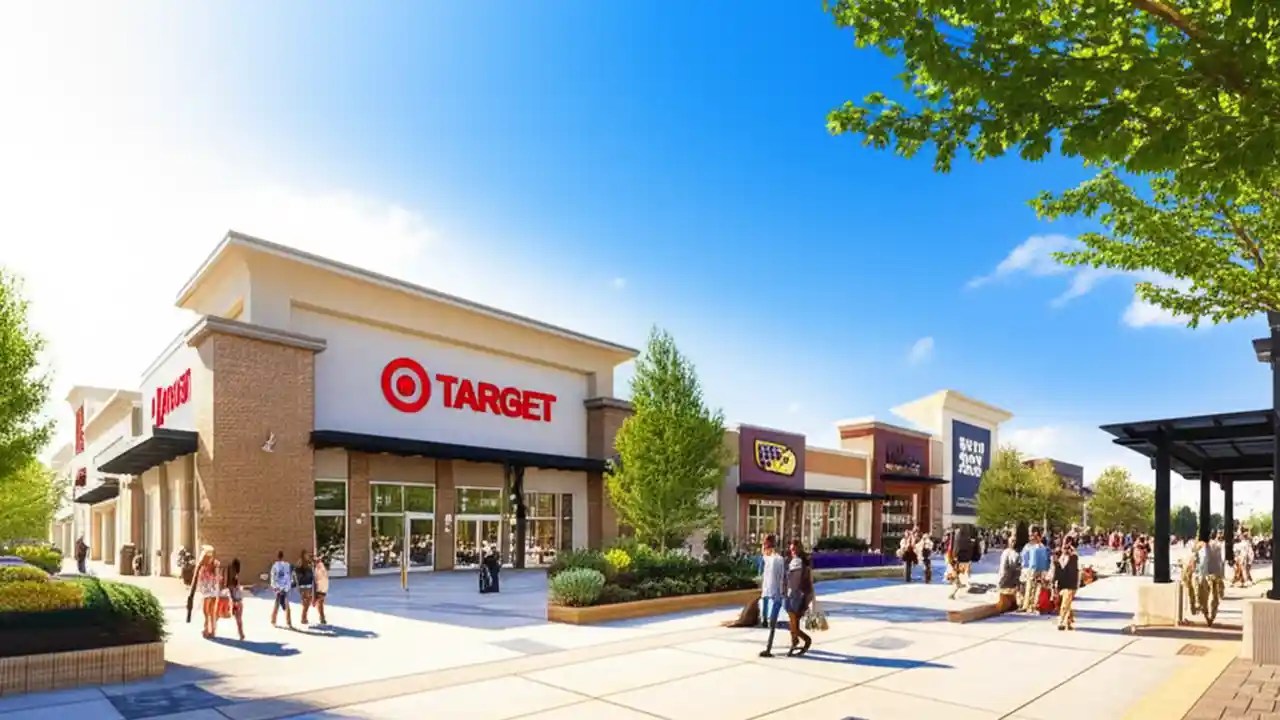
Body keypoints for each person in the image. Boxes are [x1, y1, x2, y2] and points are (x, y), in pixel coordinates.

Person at [784, 540, 815, 656]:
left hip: (799, 596)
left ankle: (806, 640)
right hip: (793, 595)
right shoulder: (793, 561)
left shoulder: (801, 562)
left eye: (794, 549)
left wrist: (808, 596)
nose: (792, 551)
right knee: (793, 622)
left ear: (799, 550)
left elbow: (802, 581)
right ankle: (794, 642)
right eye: (791, 549)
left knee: (793, 623)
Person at [758, 534, 786, 658]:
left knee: (772, 623)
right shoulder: (767, 558)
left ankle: (768, 649)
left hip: (775, 594)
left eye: (765, 544)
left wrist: (780, 592)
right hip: (769, 593)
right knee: (772, 623)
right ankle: (768, 648)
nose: (764, 546)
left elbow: (781, 578)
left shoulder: (777, 559)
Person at [194, 545, 223, 639]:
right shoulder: (216, 564)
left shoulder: (203, 566)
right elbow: (219, 578)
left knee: (206, 613)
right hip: (214, 591)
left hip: (206, 592)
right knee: (212, 612)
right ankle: (213, 631)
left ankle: (206, 630)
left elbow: (200, 579)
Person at [1020, 529, 1050, 613]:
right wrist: (1025, 567)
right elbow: (1024, 557)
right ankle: (1027, 605)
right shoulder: (1028, 546)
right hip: (1032, 569)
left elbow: (1047, 559)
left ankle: (1036, 604)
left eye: (1037, 536)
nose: (1035, 538)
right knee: (1030, 586)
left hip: (1042, 570)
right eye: (1034, 536)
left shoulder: (1043, 547)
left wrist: (1047, 569)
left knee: (1039, 588)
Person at [1054, 538, 1080, 631]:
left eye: (1068, 546)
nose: (1065, 548)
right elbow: (1055, 571)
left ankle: (1061, 621)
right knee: (1064, 603)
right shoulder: (1058, 557)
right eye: (1064, 546)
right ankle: (1069, 621)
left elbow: (1075, 571)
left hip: (1070, 585)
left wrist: (1072, 552)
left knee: (1065, 602)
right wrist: (1054, 583)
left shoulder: (1074, 558)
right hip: (1061, 584)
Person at [269, 550, 295, 629]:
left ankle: (273, 620)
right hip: (284, 588)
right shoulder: (287, 565)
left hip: (278, 588)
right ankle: (289, 622)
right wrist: (287, 587)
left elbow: (273, 577)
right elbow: (289, 576)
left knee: (277, 604)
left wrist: (275, 587)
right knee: (286, 605)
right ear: (283, 556)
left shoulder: (275, 566)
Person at [997, 532, 1021, 610]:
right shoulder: (1007, 553)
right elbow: (1003, 567)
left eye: (1014, 541)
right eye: (1012, 541)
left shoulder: (1016, 553)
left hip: (1013, 579)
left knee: (1010, 592)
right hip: (1007, 577)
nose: (1013, 543)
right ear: (1008, 542)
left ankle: (1011, 604)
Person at [225, 558, 245, 641]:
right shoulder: (236, 577)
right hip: (238, 600)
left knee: (238, 618)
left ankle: (241, 634)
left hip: (235, 600)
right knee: (239, 619)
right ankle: (241, 634)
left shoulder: (232, 578)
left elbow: (230, 589)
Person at [296, 550, 316, 625]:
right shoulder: (300, 563)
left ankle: (304, 617)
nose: (307, 556)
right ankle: (303, 618)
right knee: (306, 602)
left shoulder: (309, 563)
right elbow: (297, 574)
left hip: (308, 585)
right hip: (304, 585)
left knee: (307, 602)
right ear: (303, 555)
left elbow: (311, 573)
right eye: (306, 555)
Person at [313, 555, 330, 625]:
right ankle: (322, 617)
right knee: (320, 603)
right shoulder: (323, 568)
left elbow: (317, 579)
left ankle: (322, 618)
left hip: (320, 588)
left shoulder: (319, 568)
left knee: (319, 604)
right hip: (324, 588)